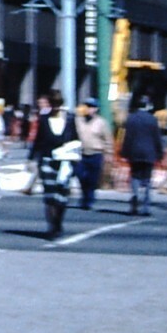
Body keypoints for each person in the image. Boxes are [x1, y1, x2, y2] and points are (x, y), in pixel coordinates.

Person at [30, 89, 78, 240]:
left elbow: (75, 138)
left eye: (58, 104)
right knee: (50, 196)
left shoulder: (70, 119)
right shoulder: (44, 119)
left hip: (65, 161)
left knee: (62, 196)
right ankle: (52, 227)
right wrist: (31, 159)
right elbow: (39, 140)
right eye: (53, 104)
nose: (56, 107)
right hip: (47, 160)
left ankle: (58, 222)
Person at [120, 96, 163, 216]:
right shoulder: (152, 119)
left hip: (134, 152)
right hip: (149, 153)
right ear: (147, 105)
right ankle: (146, 205)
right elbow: (157, 138)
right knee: (147, 179)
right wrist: (159, 153)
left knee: (135, 176)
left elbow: (127, 137)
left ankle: (135, 198)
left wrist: (124, 152)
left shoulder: (131, 118)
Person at [74, 97, 111, 210]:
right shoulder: (78, 121)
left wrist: (109, 153)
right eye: (88, 106)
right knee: (81, 175)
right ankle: (85, 195)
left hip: (96, 153)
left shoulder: (101, 122)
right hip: (82, 153)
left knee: (92, 179)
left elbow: (107, 139)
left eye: (92, 107)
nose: (89, 109)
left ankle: (88, 199)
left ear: (96, 109)